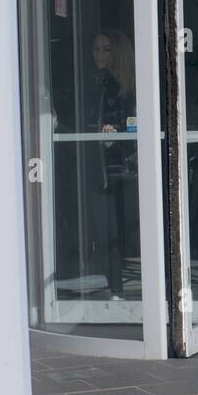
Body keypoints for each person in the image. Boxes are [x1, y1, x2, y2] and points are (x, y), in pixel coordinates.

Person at [86, 29, 136, 300]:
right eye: (96, 49)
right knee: (103, 228)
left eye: (106, 50)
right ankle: (114, 286)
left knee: (121, 230)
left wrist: (115, 132)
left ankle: (119, 286)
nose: (100, 55)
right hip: (97, 168)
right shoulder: (90, 82)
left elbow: (135, 124)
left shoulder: (124, 87)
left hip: (122, 169)